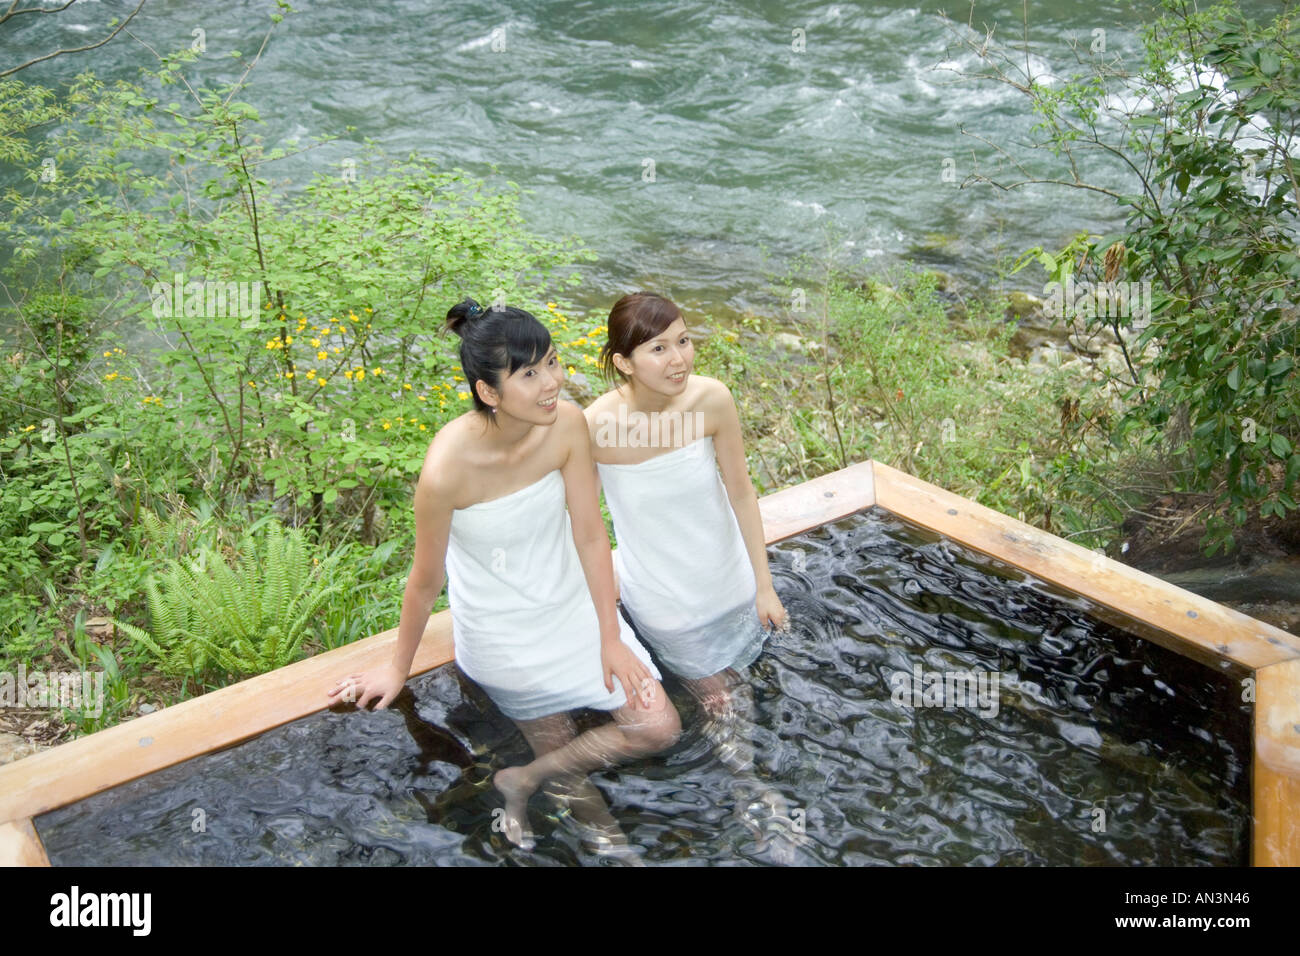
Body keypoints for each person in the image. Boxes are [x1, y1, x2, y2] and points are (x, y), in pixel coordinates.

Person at [326, 298, 681, 852]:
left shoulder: (565, 426)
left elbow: (590, 533)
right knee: (565, 757)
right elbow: (424, 580)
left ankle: (520, 779)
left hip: (572, 608)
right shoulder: (448, 470)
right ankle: (621, 854)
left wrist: (610, 636)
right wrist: (397, 669)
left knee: (658, 726)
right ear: (489, 392)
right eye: (529, 374)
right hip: (503, 629)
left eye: (553, 363)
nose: (551, 384)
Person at [584, 292, 789, 769]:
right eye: (658, 349)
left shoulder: (710, 399)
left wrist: (765, 586)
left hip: (732, 583)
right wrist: (605, 627)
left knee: (760, 677)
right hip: (668, 603)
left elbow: (741, 491)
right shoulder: (595, 426)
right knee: (726, 704)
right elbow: (587, 527)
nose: (679, 359)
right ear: (624, 362)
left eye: (684, 341)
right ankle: (752, 793)